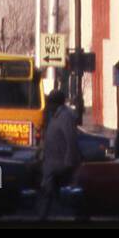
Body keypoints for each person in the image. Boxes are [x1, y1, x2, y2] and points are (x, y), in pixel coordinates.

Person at [37, 89, 81, 220]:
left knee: (52, 192)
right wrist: (39, 153)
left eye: (50, 102)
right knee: (51, 192)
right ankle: (44, 216)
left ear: (56, 103)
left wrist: (69, 162)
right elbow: (49, 138)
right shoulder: (55, 116)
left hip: (59, 163)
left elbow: (71, 139)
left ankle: (44, 216)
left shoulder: (65, 117)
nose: (49, 106)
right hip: (52, 162)